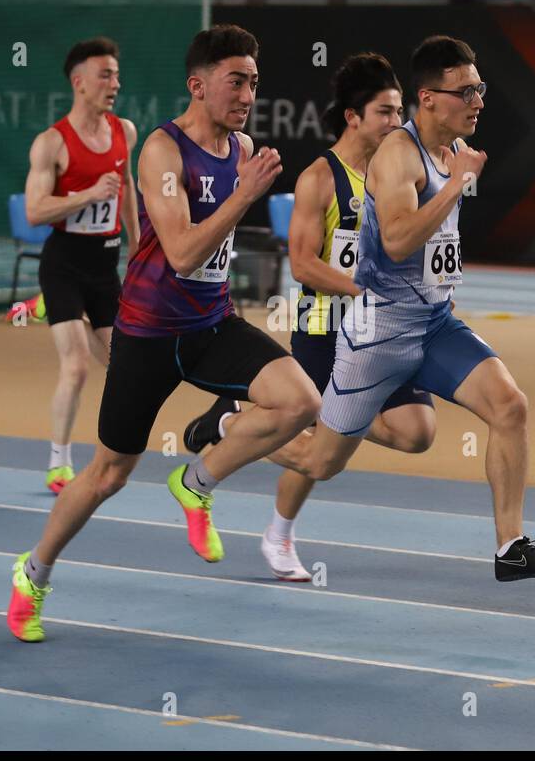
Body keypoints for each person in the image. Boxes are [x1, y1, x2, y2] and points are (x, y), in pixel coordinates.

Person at [7, 25, 322, 642]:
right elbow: (179, 252)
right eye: (236, 80)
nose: (248, 94)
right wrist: (245, 195)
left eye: (254, 82)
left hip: (210, 323)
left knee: (301, 400)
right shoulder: (161, 150)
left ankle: (196, 479)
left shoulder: (242, 148)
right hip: (148, 334)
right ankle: (34, 572)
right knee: (107, 474)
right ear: (197, 84)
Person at [233, 36, 535, 583]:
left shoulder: (450, 153)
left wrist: (442, 280)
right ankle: (244, 447)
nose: (479, 100)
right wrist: (457, 188)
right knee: (322, 460)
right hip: (365, 331)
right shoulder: (381, 161)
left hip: (431, 324)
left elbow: (432, 245)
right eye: (467, 90)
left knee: (501, 408)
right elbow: (391, 243)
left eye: (480, 88)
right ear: (430, 97)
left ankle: (510, 546)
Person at [184, 53, 434, 581]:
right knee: (323, 459)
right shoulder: (320, 178)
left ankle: (237, 418)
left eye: (400, 112)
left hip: (386, 332)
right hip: (327, 333)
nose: (398, 123)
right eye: (386, 113)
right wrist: (365, 290)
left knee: (417, 432)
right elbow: (302, 264)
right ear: (353, 117)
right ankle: (277, 531)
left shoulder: (401, 172)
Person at [11, 38, 140, 494]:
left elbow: (127, 190)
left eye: (117, 75)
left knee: (125, 364)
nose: (115, 84)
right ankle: (59, 464)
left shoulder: (125, 131)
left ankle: (52, 308)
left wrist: (139, 248)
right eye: (105, 75)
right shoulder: (52, 143)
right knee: (77, 366)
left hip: (104, 270)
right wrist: (86, 194)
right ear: (78, 82)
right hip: (64, 265)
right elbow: (34, 211)